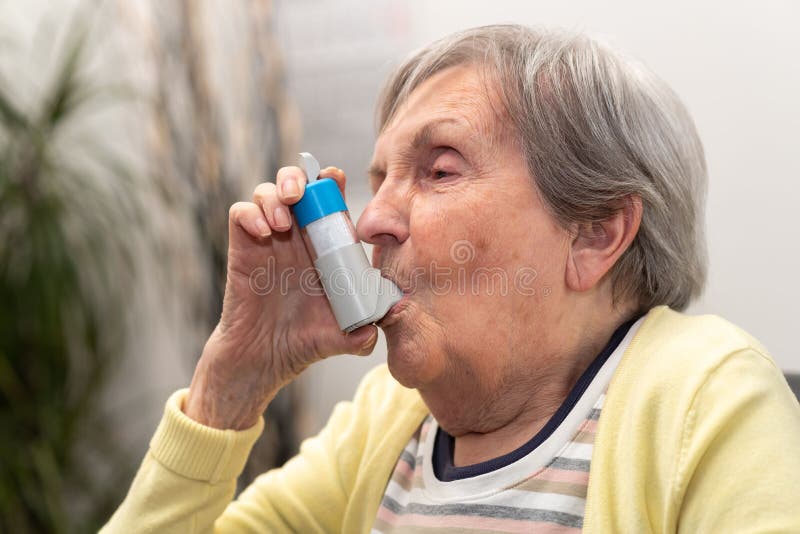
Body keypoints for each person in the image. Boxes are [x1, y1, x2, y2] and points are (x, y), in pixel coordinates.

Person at [102, 25, 800, 533]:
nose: (369, 219)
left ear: (594, 233)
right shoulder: (389, 424)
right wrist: (232, 384)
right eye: (378, 182)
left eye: (439, 170)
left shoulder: (707, 399)